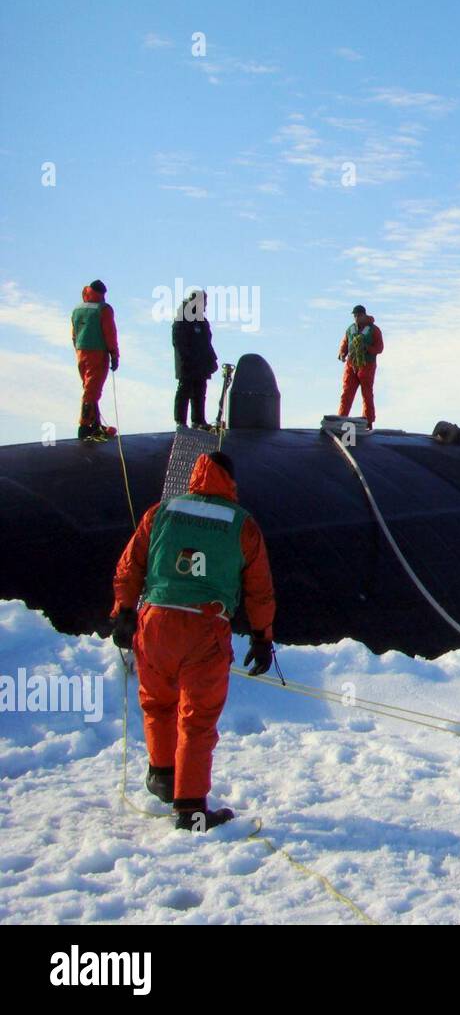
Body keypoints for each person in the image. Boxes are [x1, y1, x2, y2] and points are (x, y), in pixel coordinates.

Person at [109, 451, 276, 831]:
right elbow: (259, 590)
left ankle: (163, 775)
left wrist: (122, 612)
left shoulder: (161, 512)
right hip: (204, 628)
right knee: (197, 719)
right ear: (229, 481)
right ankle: (191, 810)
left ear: (196, 476)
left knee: (157, 704)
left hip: (155, 622)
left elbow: (130, 565)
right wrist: (262, 637)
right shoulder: (241, 524)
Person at [70, 279, 119, 441]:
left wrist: (78, 349)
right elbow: (110, 334)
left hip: (80, 352)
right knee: (92, 391)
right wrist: (114, 355)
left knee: (89, 387)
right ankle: (84, 426)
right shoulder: (104, 309)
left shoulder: (77, 309)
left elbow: (73, 334)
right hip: (97, 353)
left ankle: (95, 423)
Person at [173, 289, 219, 431]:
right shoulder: (182, 320)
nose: (205, 305)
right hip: (187, 364)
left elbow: (207, 343)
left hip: (201, 365)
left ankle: (198, 420)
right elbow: (178, 343)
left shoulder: (202, 321)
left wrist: (212, 360)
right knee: (184, 391)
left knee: (200, 392)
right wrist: (186, 361)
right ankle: (180, 421)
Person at [337, 305, 384, 426]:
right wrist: (342, 353)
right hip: (351, 365)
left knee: (367, 393)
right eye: (355, 316)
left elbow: (379, 348)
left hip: (366, 365)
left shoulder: (374, 330)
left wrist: (367, 348)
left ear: (364, 315)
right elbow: (345, 342)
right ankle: (341, 418)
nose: (356, 318)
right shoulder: (351, 329)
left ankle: (368, 420)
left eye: (358, 315)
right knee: (346, 393)